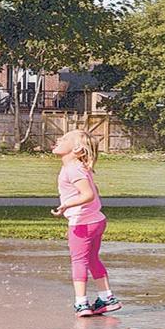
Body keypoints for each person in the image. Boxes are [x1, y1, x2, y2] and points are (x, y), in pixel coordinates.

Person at [49, 129, 121, 317]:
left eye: (64, 139)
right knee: (91, 259)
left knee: (79, 261)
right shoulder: (79, 167)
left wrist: (66, 205)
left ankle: (81, 303)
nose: (58, 139)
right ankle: (107, 298)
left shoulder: (73, 168)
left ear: (78, 150)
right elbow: (93, 189)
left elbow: (88, 194)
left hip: (82, 223)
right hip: (96, 220)